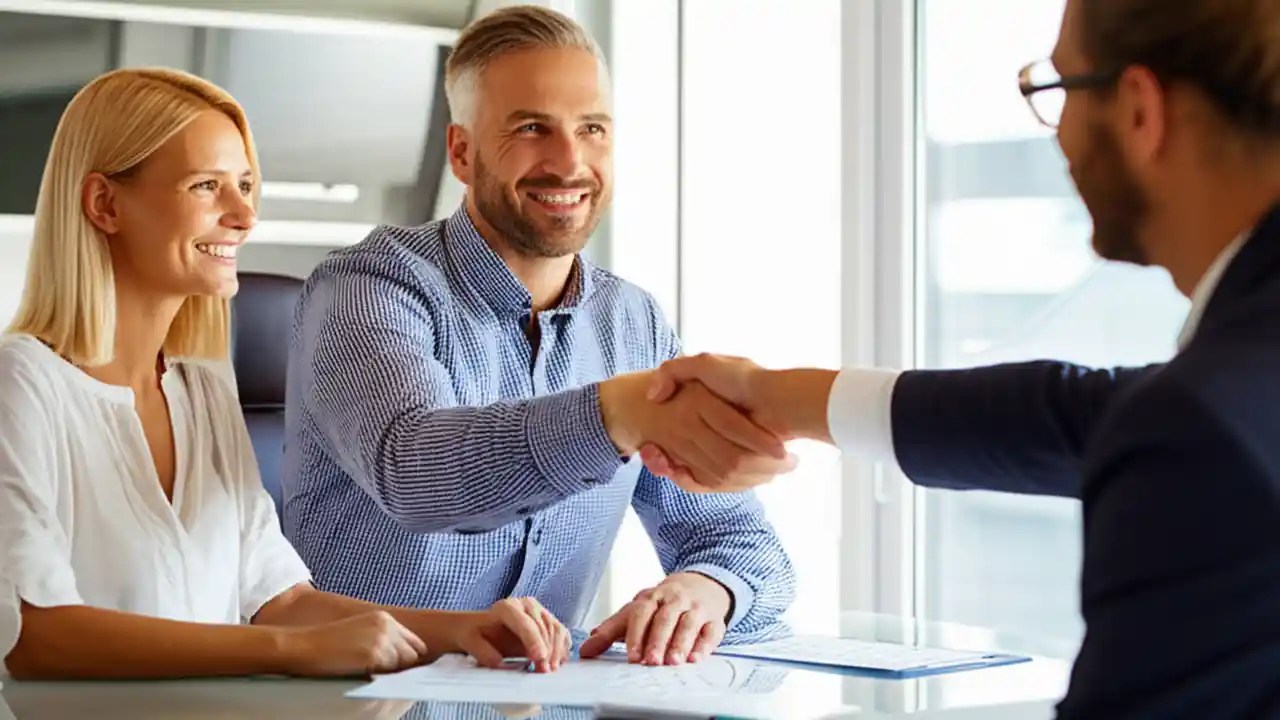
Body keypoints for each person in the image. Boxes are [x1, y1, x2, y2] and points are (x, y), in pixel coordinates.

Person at [641, 0, 1280, 717]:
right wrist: (782, 397)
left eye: (1060, 89)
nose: (1058, 132)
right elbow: (1081, 413)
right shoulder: (1233, 387)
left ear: (1140, 111)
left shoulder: (1204, 425)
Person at [0, 67, 571, 681]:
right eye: (206, 186)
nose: (244, 215)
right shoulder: (22, 383)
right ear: (104, 204)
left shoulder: (200, 386)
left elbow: (280, 601)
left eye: (245, 185)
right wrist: (292, 653)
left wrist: (459, 629)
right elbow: (35, 634)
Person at [283, 5, 796, 668]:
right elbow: (416, 473)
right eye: (531, 129)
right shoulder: (368, 287)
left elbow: (739, 539)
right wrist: (617, 414)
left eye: (593, 129)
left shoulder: (632, 322)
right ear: (462, 152)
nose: (569, 162)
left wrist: (705, 591)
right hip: (367, 709)